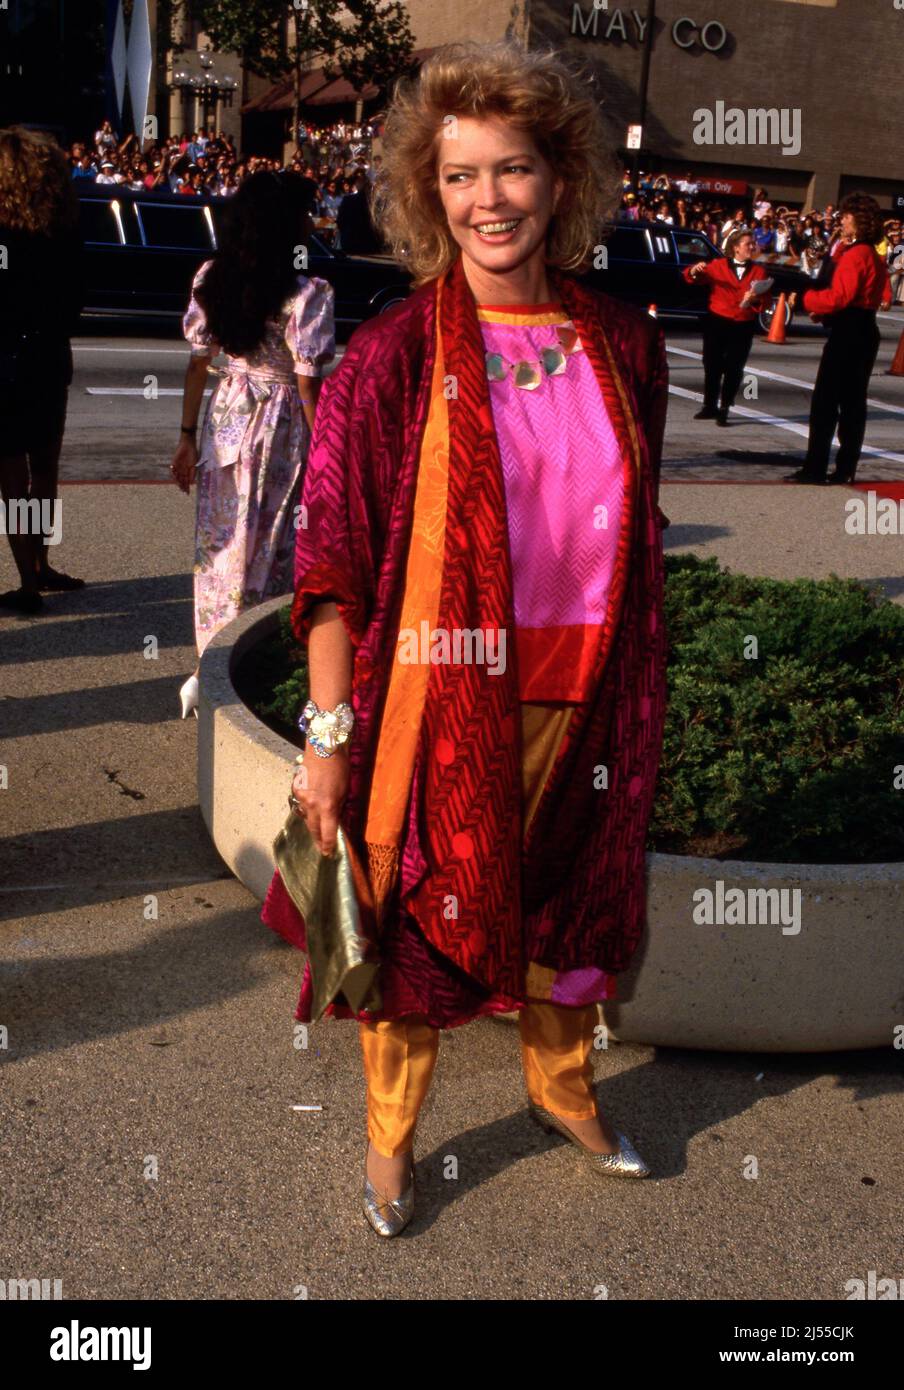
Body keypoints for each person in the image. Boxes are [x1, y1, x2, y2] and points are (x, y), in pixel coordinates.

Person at [260, 39, 670, 1237]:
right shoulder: (391, 359)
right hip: (437, 705)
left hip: (590, 691)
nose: (487, 199)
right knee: (418, 927)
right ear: (427, 193)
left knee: (572, 910)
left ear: (562, 180)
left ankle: (562, 1090)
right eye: (460, 176)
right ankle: (391, 1143)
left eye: (514, 170)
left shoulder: (623, 343)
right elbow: (330, 569)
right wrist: (329, 738)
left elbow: (632, 533)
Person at [170, 171, 335, 717]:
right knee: (271, 550)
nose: (312, 222)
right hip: (281, 425)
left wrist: (187, 437)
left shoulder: (213, 277)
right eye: (305, 213)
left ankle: (204, 670)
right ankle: (246, 673)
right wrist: (328, 452)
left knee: (220, 549)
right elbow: (308, 383)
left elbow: (198, 365)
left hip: (227, 415)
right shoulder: (307, 292)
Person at [0, 126, 85, 614]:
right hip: (51, 356)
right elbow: (78, 297)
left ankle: (27, 581)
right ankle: (42, 563)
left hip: (7, 361)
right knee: (45, 470)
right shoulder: (65, 224)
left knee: (13, 477)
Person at [786, 193, 891, 485]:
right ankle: (845, 468)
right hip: (863, 329)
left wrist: (807, 299)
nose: (842, 220)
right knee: (853, 404)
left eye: (847, 216)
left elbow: (839, 296)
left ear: (860, 222)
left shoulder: (856, 254)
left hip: (849, 333)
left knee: (825, 403)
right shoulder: (871, 254)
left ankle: (815, 467)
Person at [684, 228, 771, 425]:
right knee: (711, 363)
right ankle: (709, 405)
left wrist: (756, 298)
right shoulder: (718, 265)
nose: (752, 247)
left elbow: (766, 301)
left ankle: (725, 406)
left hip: (743, 323)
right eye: (748, 244)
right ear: (735, 247)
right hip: (718, 320)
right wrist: (693, 270)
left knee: (734, 367)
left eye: (753, 243)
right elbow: (693, 278)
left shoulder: (759, 271)